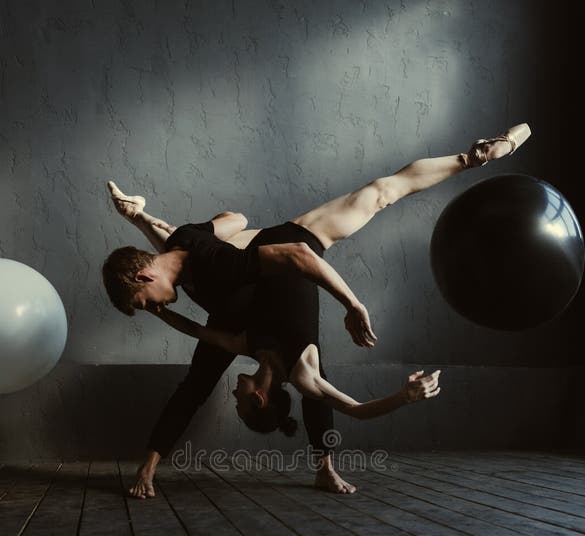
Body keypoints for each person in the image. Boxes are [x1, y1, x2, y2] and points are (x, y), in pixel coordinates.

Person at [104, 122, 531, 496]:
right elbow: (352, 408)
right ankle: (321, 466)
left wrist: (353, 303)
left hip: (280, 251)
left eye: (145, 305)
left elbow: (254, 254)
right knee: (378, 194)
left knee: (382, 192)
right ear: (259, 397)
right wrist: (405, 395)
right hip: (264, 262)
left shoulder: (237, 326)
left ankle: (474, 155)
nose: (151, 311)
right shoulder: (274, 353)